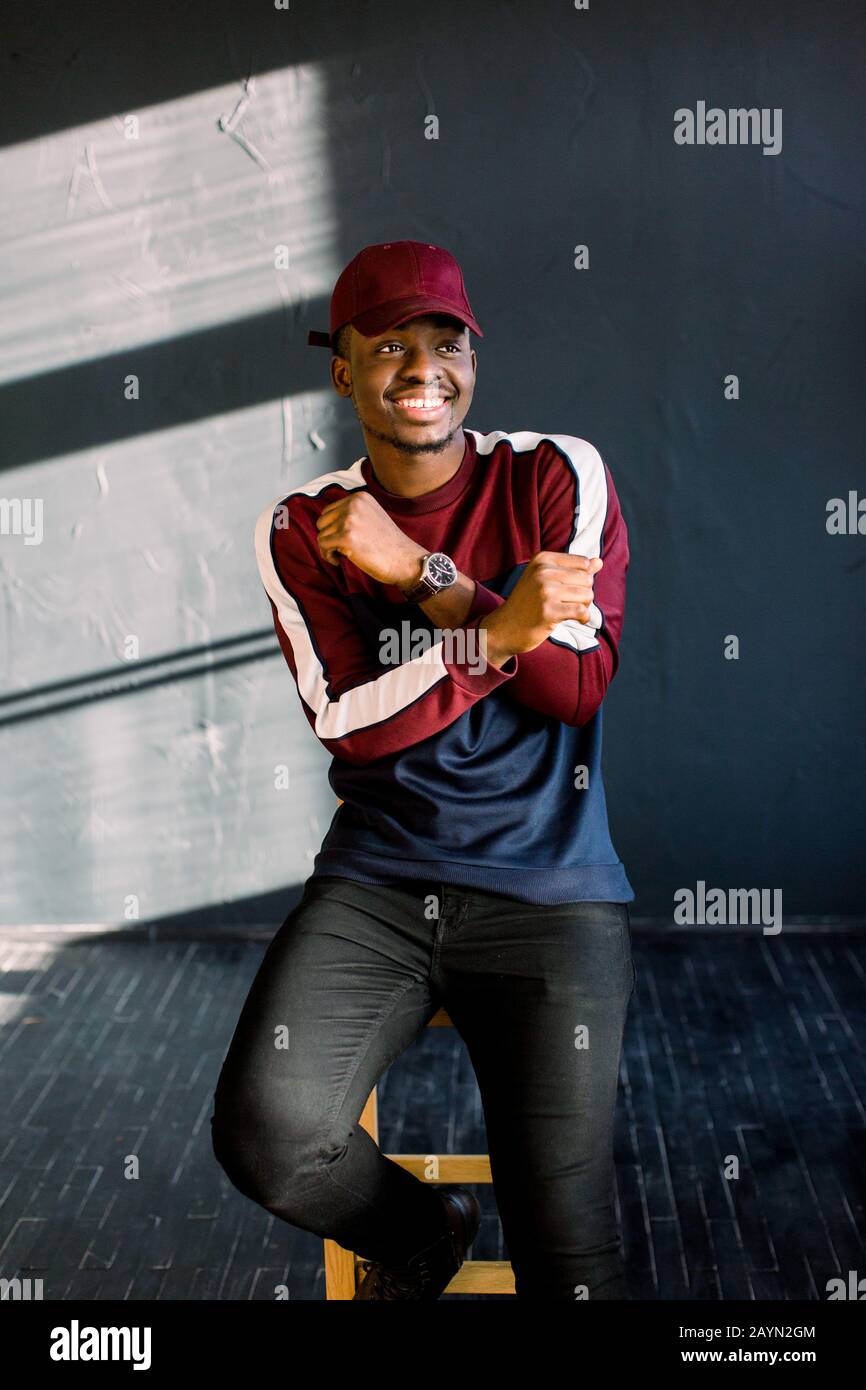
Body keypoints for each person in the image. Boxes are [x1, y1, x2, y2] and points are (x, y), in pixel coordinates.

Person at [210, 240, 637, 1301]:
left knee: (565, 1247)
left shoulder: (553, 473)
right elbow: (348, 723)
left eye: (443, 341)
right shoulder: (302, 529)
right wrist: (497, 627)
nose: (421, 367)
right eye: (387, 344)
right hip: (380, 879)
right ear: (342, 372)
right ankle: (423, 1231)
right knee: (266, 1134)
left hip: (548, 886)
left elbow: (574, 688)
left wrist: (425, 578)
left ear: (471, 359)